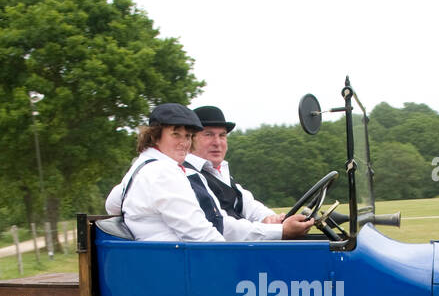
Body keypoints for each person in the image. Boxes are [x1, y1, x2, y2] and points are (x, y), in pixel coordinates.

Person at [106, 103, 312, 242]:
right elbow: (200, 234)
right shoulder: (163, 172)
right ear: (155, 136)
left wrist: (271, 221)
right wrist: (233, 260)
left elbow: (113, 204)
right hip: (176, 268)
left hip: (168, 261)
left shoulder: (143, 167)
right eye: (175, 134)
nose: (183, 143)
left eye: (187, 136)